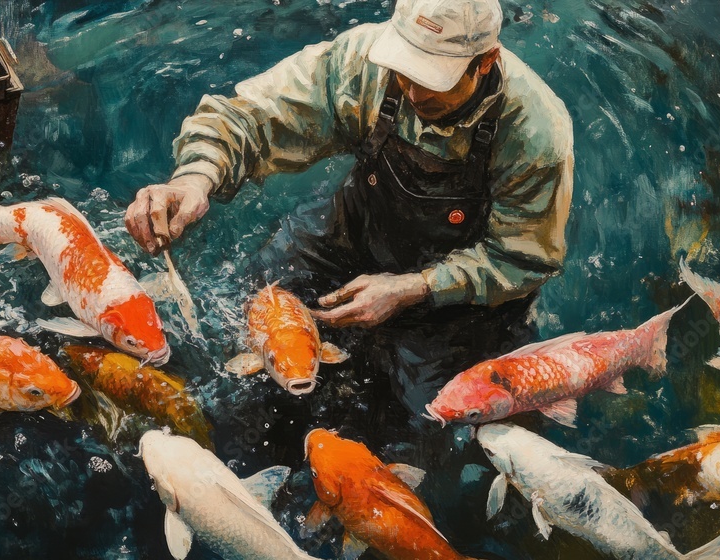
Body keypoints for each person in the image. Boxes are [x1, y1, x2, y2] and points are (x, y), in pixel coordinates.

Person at [126, 0, 573, 421]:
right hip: (356, 224)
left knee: (430, 412)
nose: (413, 94)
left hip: (459, 285)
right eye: (404, 71)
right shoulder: (363, 63)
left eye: (433, 80)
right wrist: (194, 178)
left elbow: (523, 258)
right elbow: (251, 117)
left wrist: (414, 288)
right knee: (256, 297)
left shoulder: (536, 134)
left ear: (486, 61)